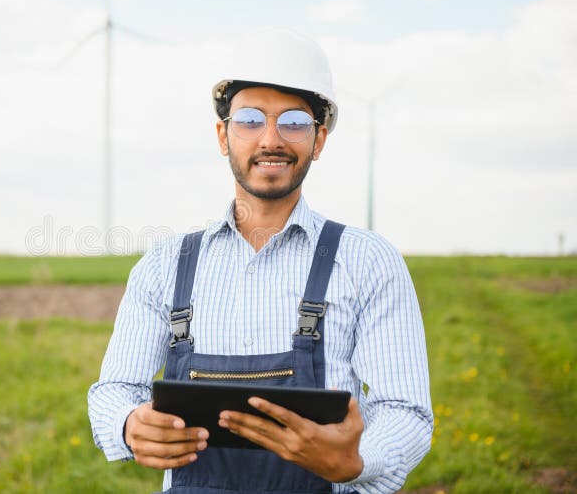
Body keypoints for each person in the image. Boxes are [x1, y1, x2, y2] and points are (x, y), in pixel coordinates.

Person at [88, 28, 432, 494]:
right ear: (222, 135)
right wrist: (128, 425)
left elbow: (405, 410)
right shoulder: (164, 266)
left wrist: (357, 460)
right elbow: (113, 391)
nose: (271, 139)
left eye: (293, 121)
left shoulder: (369, 262)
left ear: (320, 139)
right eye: (250, 119)